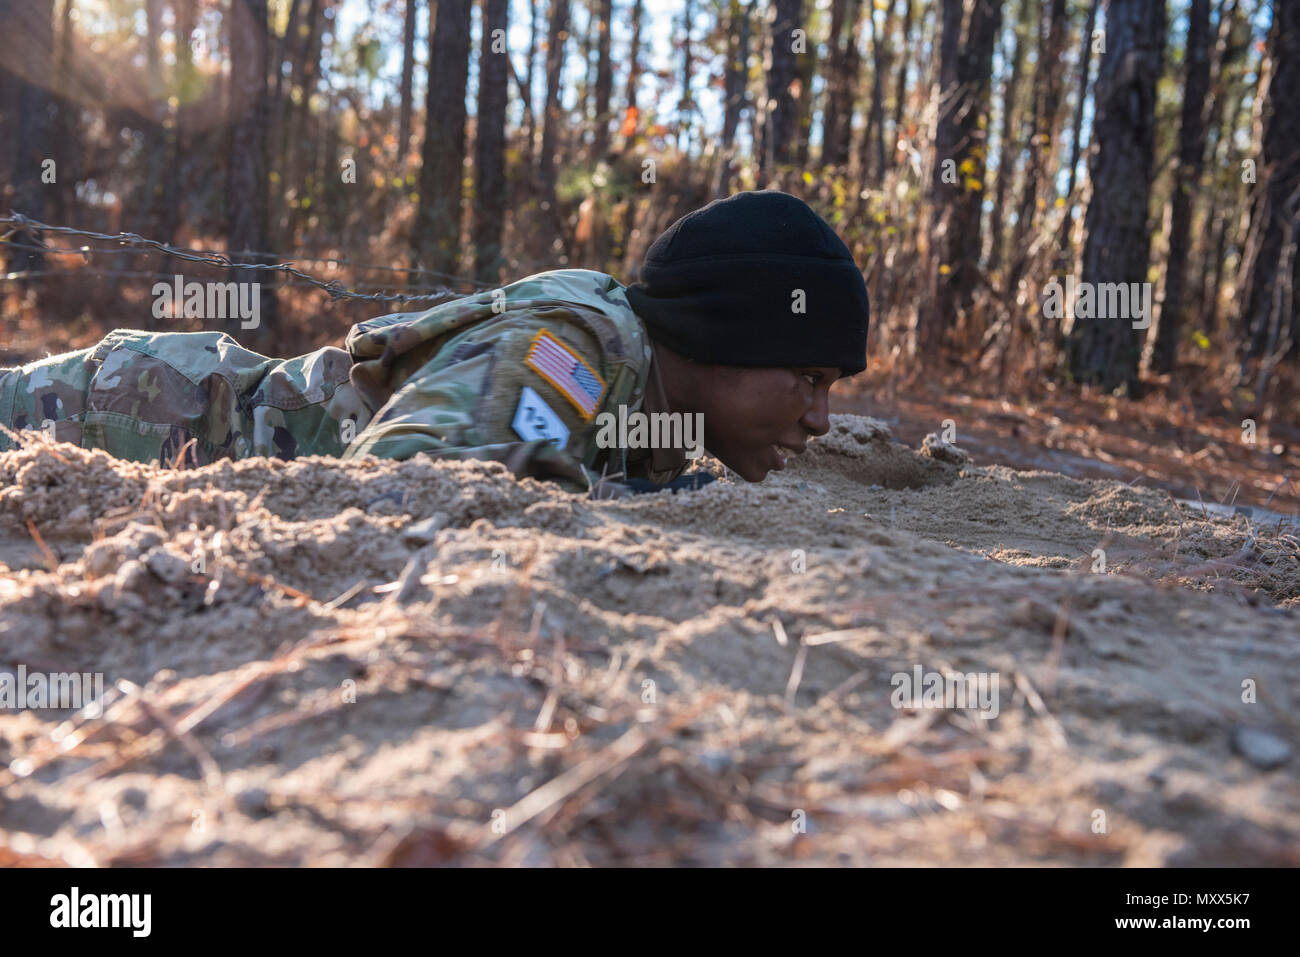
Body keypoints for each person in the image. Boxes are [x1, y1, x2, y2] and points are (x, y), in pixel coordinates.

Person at [0, 190, 869, 495]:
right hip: (120, 414)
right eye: (809, 377)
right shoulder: (572, 346)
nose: (822, 418)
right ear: (724, 339)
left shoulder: (656, 394)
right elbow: (424, 485)